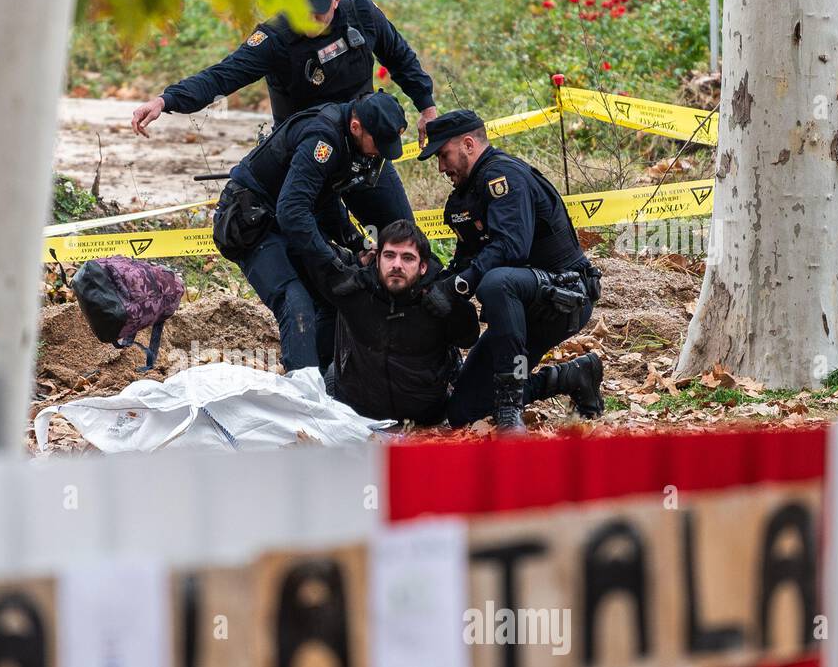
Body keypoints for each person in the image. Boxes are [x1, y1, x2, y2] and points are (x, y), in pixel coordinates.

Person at [132, 0, 437, 233]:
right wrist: (166, 100)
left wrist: (427, 106)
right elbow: (223, 75)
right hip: (305, 159)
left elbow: (400, 57)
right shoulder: (274, 38)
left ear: (336, 0)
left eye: (316, 12)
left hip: (363, 151)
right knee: (322, 252)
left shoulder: (363, 15)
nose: (308, 19)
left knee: (400, 236)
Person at [417, 109, 605, 430]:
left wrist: (461, 285)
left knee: (496, 282)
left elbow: (511, 249)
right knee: (464, 411)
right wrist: (435, 288)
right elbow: (466, 260)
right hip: (518, 311)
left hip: (566, 296)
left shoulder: (504, 178)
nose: (441, 167)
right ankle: (573, 376)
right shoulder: (465, 197)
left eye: (444, 155)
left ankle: (509, 409)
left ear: (468, 144)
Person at [212, 91, 408, 373]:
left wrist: (356, 243)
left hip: (284, 217)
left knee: (333, 298)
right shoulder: (323, 138)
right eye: (378, 143)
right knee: (296, 303)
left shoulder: (348, 138)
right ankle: (302, 397)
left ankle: (321, 382)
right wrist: (332, 262)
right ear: (356, 126)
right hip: (251, 223)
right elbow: (293, 211)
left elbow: (324, 199)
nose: (380, 152)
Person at [304, 219, 479, 425]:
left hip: (425, 414)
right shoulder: (355, 287)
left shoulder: (438, 297)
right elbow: (307, 246)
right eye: (389, 255)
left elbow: (469, 338)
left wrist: (455, 308)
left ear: (423, 266)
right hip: (358, 411)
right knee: (332, 372)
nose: (396, 264)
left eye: (407, 258)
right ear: (377, 260)